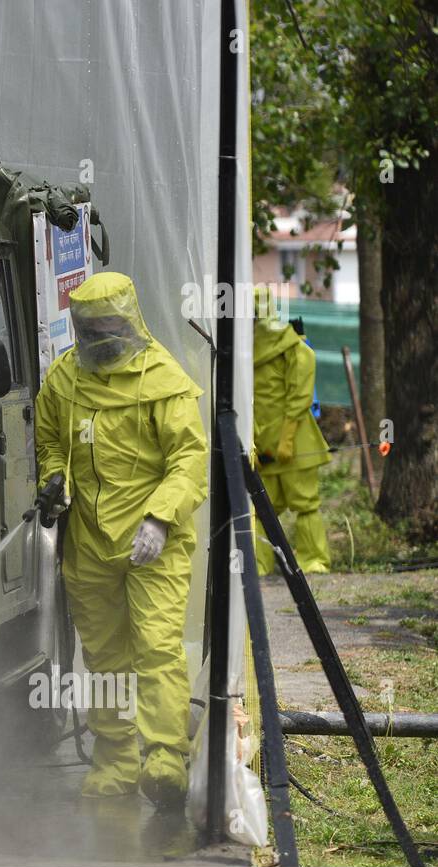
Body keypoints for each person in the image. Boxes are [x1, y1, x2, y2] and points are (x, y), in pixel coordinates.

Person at [34, 272, 208, 807]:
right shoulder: (64, 379)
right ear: (77, 328)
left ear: (131, 320)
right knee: (104, 656)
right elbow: (48, 442)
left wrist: (159, 518)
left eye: (110, 326)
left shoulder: (163, 379)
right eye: (91, 328)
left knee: (156, 647)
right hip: (88, 539)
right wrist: (52, 480)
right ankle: (114, 761)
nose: (101, 337)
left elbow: (190, 458)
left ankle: (164, 759)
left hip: (154, 541)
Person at [251, 288, 332, 574]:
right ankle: (260, 562)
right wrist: (252, 442)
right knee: (262, 509)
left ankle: (314, 559)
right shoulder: (241, 355)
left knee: (305, 503)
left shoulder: (292, 348)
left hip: (296, 442)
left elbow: (300, 393)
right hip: (264, 445)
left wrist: (286, 437)